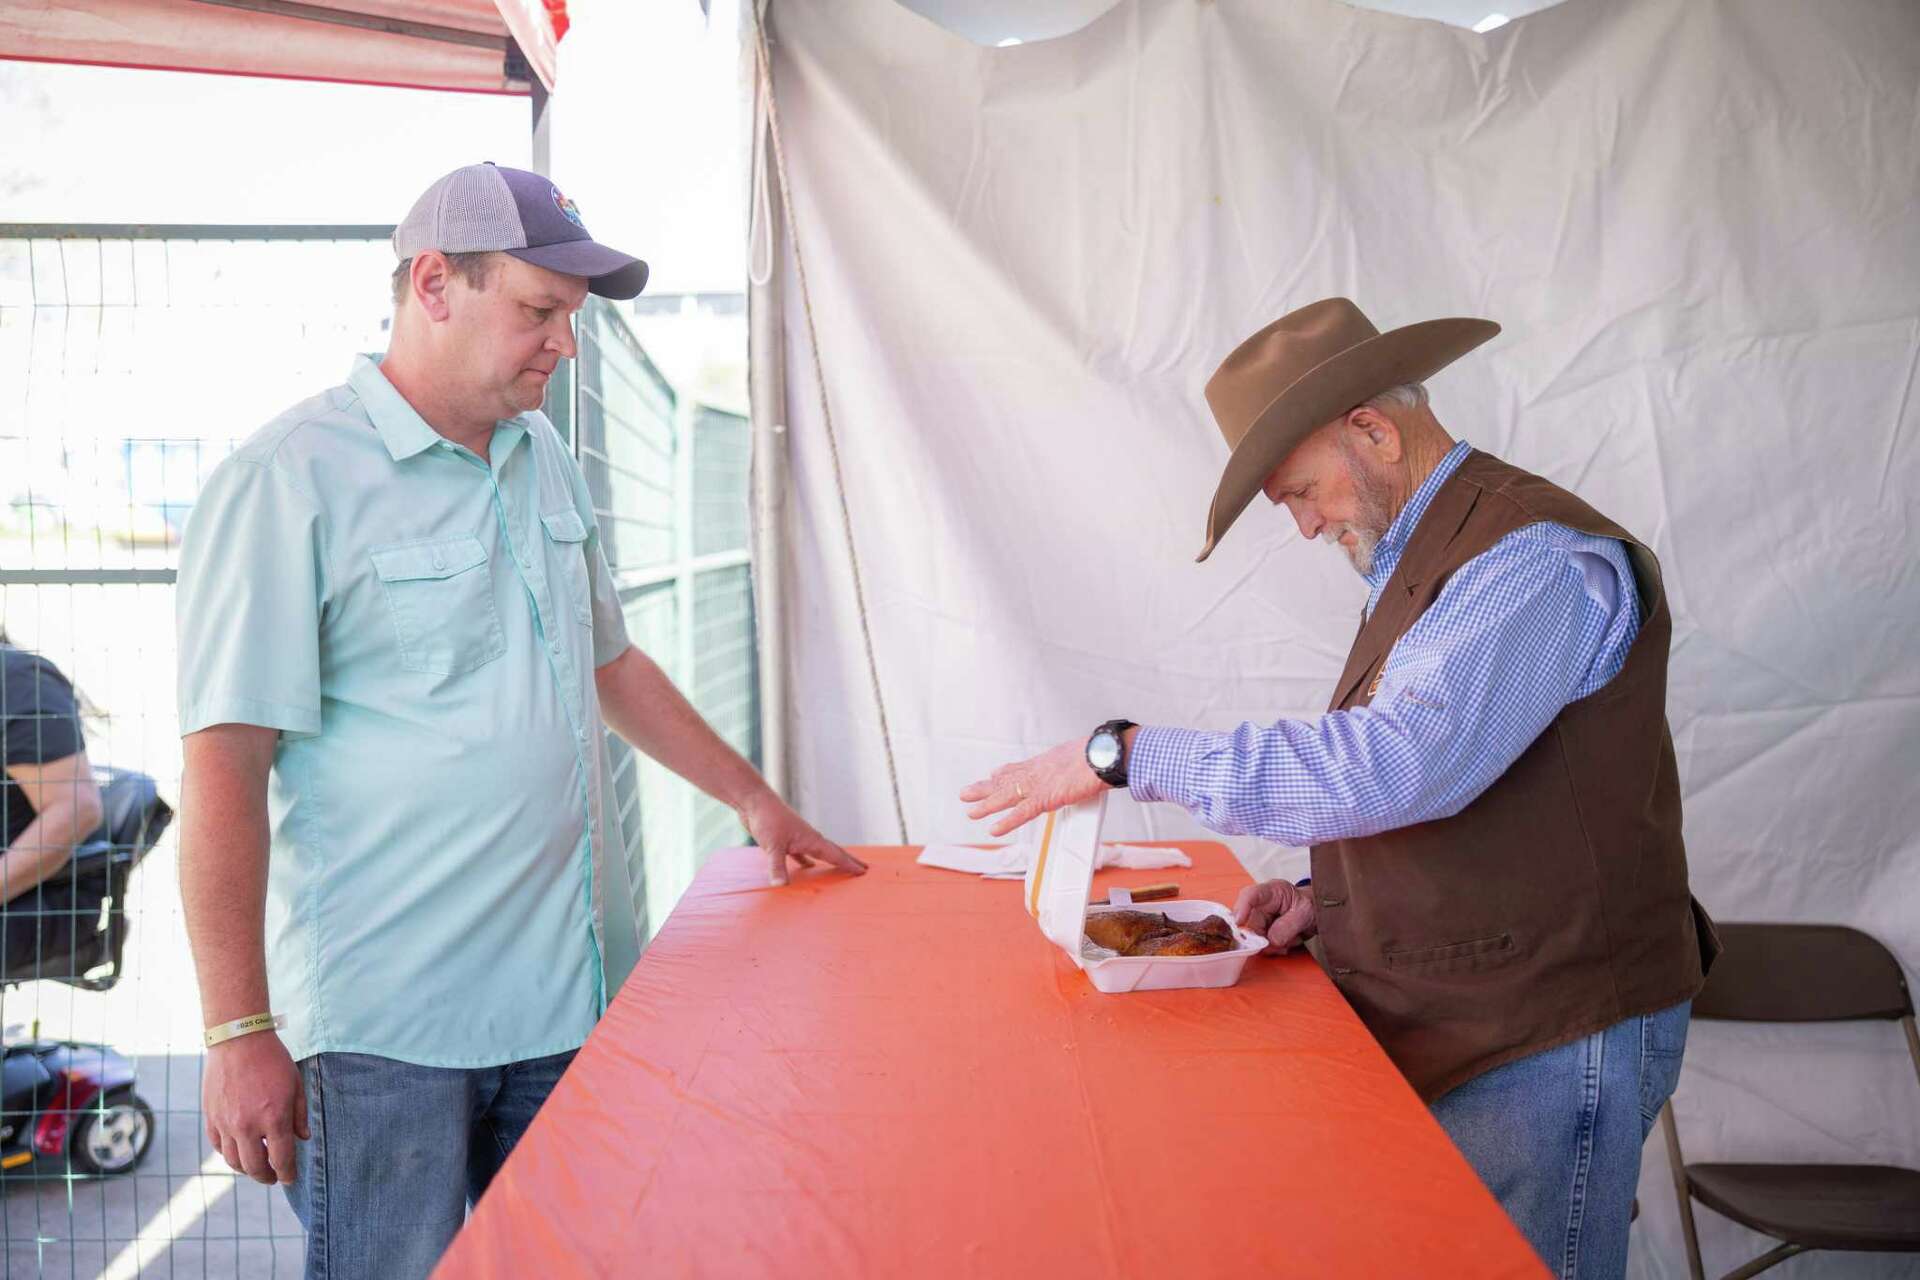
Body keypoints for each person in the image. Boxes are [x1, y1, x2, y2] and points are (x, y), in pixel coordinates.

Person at [175, 163, 863, 1280]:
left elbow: (612, 660)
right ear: (435, 284)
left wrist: (754, 798)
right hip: (385, 1035)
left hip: (562, 1001)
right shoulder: (285, 480)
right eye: (539, 312)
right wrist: (237, 1029)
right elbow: (222, 778)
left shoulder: (539, 452)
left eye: (572, 318)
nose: (566, 344)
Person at [961, 297, 1719, 1279]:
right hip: (1498, 1022)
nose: (1308, 523)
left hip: (1549, 1033)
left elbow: (1398, 761)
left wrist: (1128, 752)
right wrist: (1335, 897)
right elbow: (1481, 784)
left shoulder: (1528, 559)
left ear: (1372, 428)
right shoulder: (1435, 556)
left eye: (1301, 492)